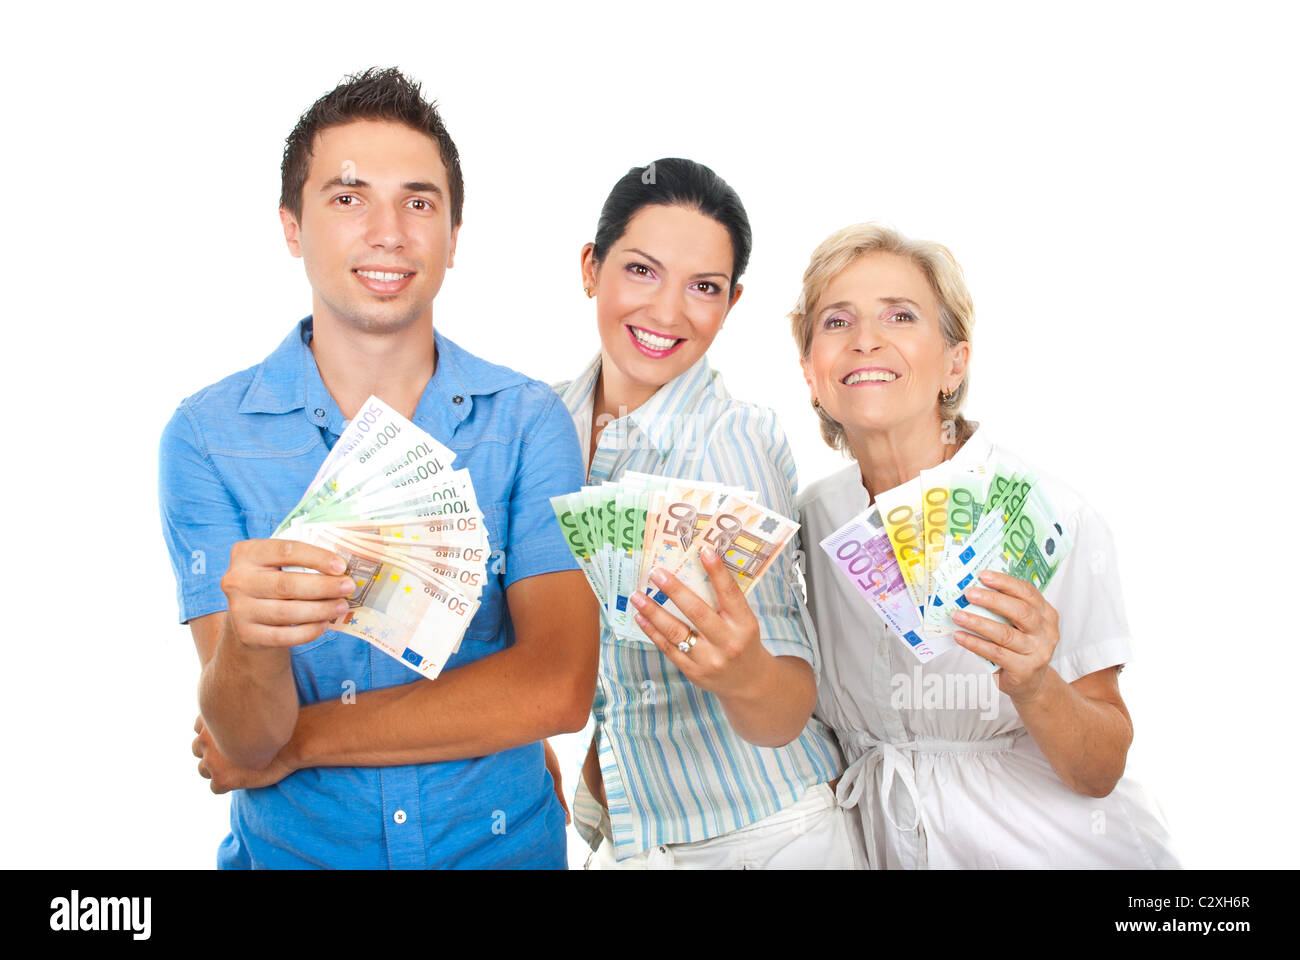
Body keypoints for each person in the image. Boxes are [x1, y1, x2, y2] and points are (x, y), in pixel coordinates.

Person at [158, 67, 598, 869]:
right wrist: (251, 651)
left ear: (454, 236)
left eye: (419, 201)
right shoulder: (205, 437)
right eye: (349, 197)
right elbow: (245, 736)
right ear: (291, 226)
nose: (389, 231)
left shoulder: (530, 422)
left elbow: (557, 689)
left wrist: (303, 742)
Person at [792, 222, 1179, 868]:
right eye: (836, 322)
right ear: (811, 372)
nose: (866, 339)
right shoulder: (808, 522)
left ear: (953, 363)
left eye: (901, 315)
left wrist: (1035, 684)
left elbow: (1101, 767)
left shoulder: (1056, 516)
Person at [549, 158, 859, 869]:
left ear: (732, 303)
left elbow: (786, 703)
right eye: (641, 270)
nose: (666, 312)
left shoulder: (733, 439)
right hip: (630, 840)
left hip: (768, 837)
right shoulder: (544, 423)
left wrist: (744, 670)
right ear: (591, 267)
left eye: (704, 288)